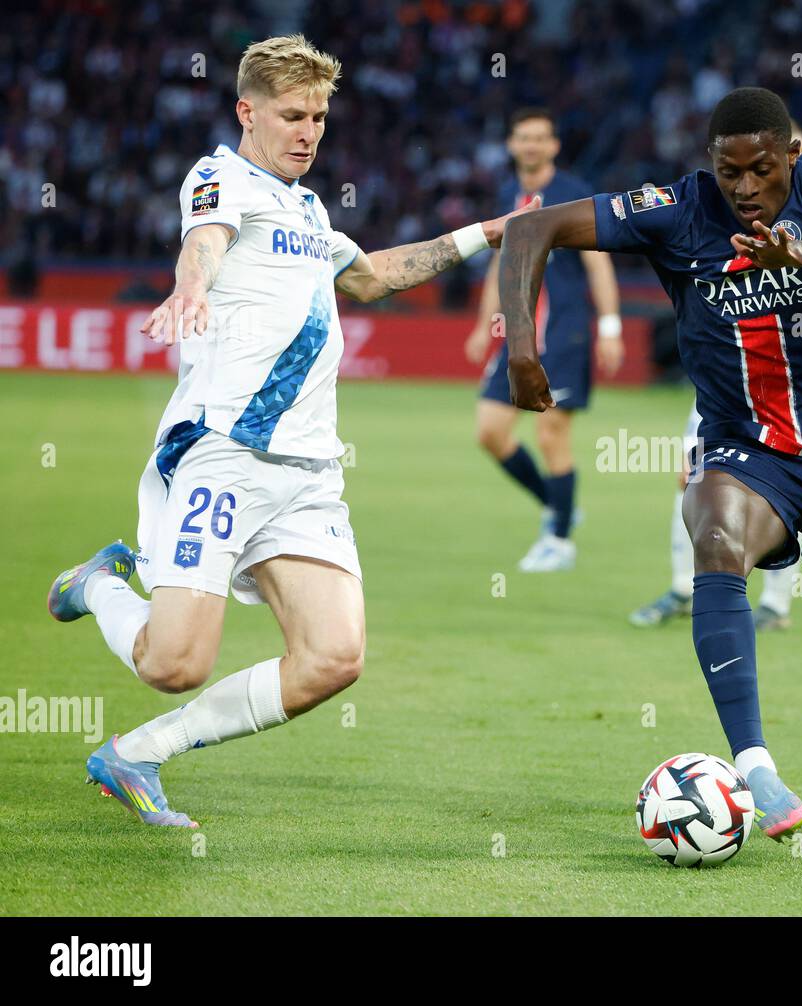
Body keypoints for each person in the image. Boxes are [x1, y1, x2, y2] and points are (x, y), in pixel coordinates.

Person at [47, 34, 534, 828]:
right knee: (173, 664)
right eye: (292, 115)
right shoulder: (221, 178)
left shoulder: (309, 209)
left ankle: (136, 753)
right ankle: (97, 583)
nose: (308, 132)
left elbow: (373, 276)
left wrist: (490, 232)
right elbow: (203, 244)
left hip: (307, 474)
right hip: (225, 456)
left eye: (318, 119)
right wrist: (192, 287)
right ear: (247, 111)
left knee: (334, 658)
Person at [497, 87, 802, 842]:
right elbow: (531, 228)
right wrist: (522, 344)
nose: (745, 188)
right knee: (714, 537)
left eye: (761, 169)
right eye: (729, 171)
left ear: (790, 158)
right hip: (748, 451)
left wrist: (800, 250)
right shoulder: (677, 210)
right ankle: (755, 767)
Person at [465, 108, 624, 572]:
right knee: (490, 432)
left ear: (554, 145)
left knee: (551, 434)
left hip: (566, 331)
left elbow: (598, 262)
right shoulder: (507, 194)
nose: (531, 146)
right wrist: (483, 324)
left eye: (540, 138)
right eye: (523, 138)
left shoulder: (573, 195)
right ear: (512, 145)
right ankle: (560, 506)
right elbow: (500, 262)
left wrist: (610, 326)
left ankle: (558, 540)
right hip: (519, 335)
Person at [629, 399, 800, 631]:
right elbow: (705, 388)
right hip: (727, 425)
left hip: (787, 425)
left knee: (786, 500)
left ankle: (775, 605)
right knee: (693, 484)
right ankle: (684, 590)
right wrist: (691, 445)